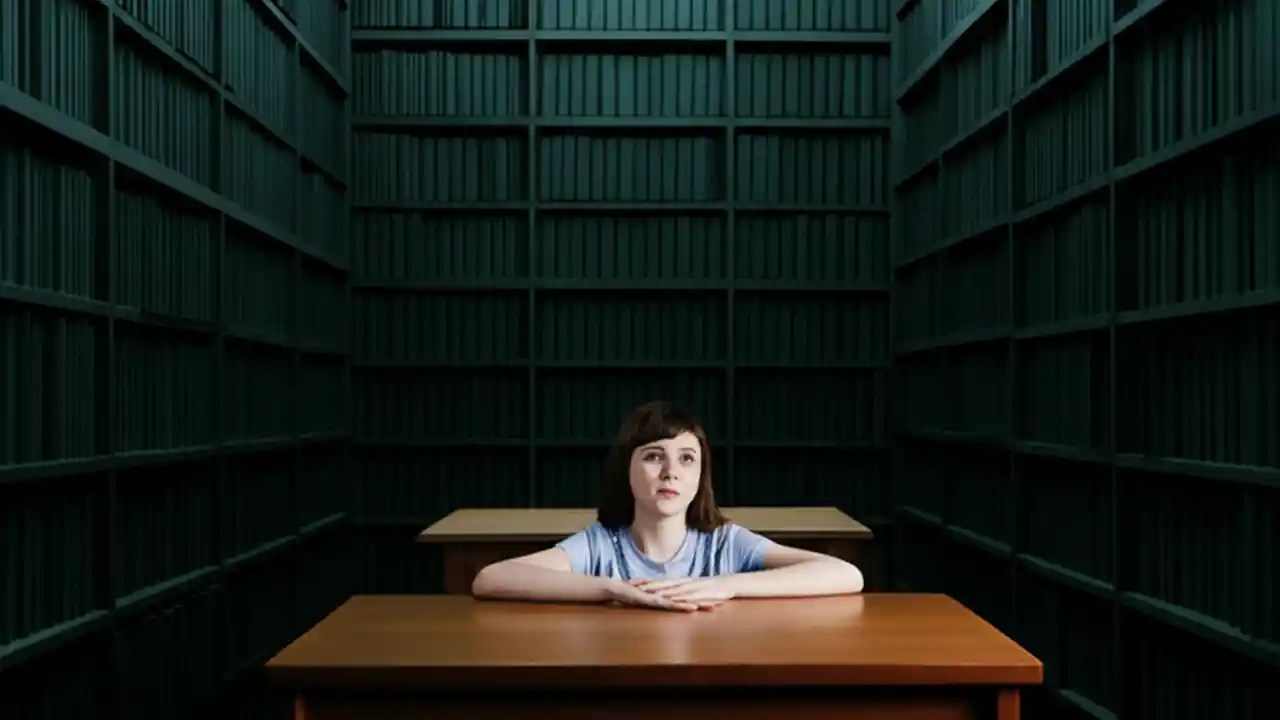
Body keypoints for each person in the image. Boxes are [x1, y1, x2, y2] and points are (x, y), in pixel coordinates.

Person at [471, 400, 864, 611]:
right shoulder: (601, 545)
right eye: (654, 456)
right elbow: (491, 578)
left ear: (700, 477)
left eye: (687, 458)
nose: (671, 472)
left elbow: (845, 574)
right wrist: (613, 589)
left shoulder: (725, 544)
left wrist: (727, 586)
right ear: (626, 469)